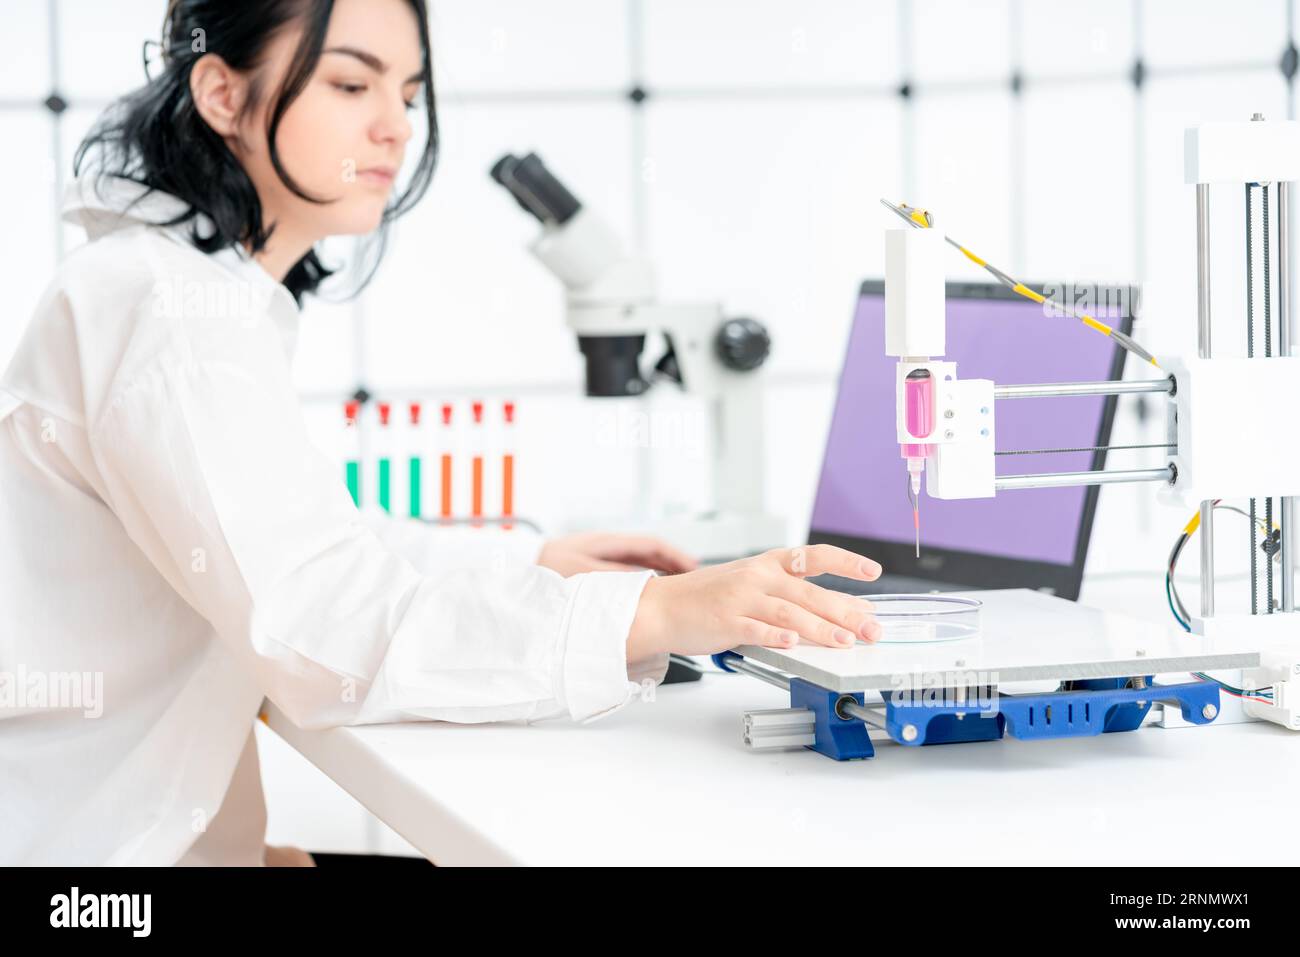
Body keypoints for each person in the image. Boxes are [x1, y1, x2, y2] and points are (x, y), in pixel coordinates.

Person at [0, 0, 883, 866]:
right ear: (223, 94)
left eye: (411, 95)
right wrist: (655, 613)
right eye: (352, 85)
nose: (395, 128)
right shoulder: (171, 315)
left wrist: (531, 564)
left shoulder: (183, 291)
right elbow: (326, 630)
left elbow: (318, 548)